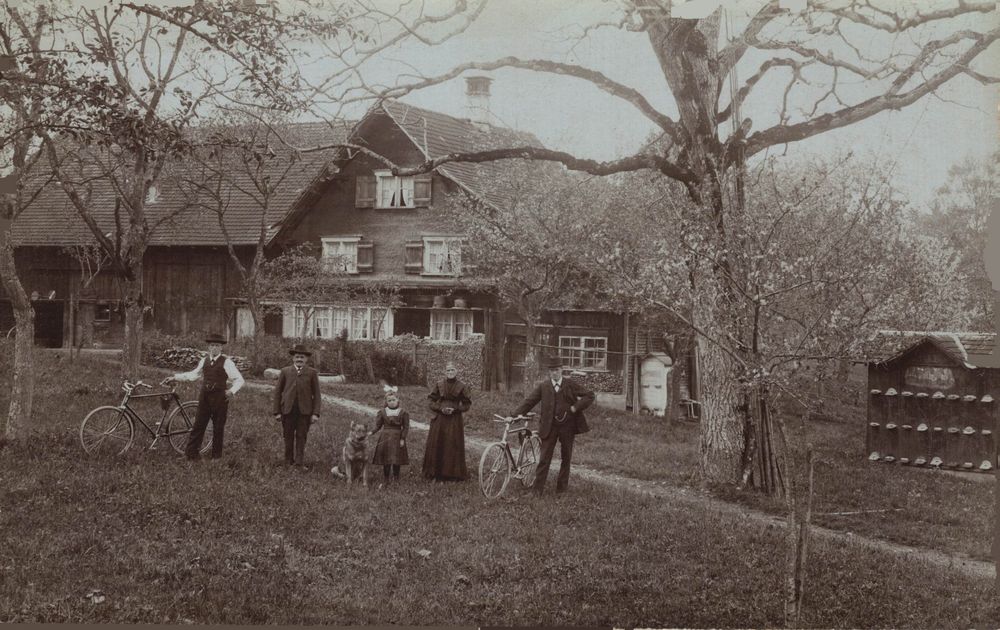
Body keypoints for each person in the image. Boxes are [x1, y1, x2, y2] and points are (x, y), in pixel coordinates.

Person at [511, 355, 594, 494]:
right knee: (544, 459)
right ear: (549, 372)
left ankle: (561, 490)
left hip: (568, 427)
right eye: (552, 370)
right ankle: (537, 491)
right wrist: (515, 414)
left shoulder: (570, 385)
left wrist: (575, 407)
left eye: (557, 370)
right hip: (549, 427)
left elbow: (590, 395)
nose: (554, 373)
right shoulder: (544, 387)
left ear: (562, 370)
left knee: (566, 457)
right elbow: (529, 401)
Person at [165, 332, 245, 460]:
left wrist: (231, 391)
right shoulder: (204, 360)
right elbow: (193, 375)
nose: (214, 348)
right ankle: (191, 455)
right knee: (198, 425)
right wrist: (175, 377)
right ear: (208, 347)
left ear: (221, 348)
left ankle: (216, 458)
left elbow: (239, 380)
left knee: (218, 428)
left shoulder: (227, 362)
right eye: (212, 345)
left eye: (217, 345)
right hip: (205, 397)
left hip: (220, 398)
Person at [272, 343, 322, 468]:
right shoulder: (285, 371)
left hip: (304, 412)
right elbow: (278, 392)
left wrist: (315, 413)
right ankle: (288, 461)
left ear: (306, 359)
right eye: (297, 357)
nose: (300, 359)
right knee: (288, 436)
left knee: (301, 436)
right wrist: (277, 411)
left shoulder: (312, 373)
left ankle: (299, 463)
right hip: (287, 411)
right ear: (293, 358)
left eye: (302, 357)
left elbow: (317, 395)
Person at [422, 361, 472, 481]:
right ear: (445, 372)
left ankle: (452, 474)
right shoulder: (439, 384)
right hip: (440, 418)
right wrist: (440, 408)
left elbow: (467, 404)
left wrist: (455, 409)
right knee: (438, 442)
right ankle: (434, 472)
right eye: (448, 370)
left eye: (452, 370)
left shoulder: (462, 386)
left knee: (452, 444)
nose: (450, 372)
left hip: (454, 420)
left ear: (457, 371)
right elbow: (430, 400)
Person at [370, 385, 410, 486]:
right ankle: (386, 478)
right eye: (389, 400)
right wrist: (371, 432)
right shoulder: (383, 412)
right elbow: (378, 426)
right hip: (386, 437)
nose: (391, 402)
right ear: (386, 401)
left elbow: (405, 427)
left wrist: (402, 439)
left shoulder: (403, 412)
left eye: (393, 400)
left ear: (398, 400)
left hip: (397, 437)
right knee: (386, 459)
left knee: (396, 459)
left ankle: (396, 478)